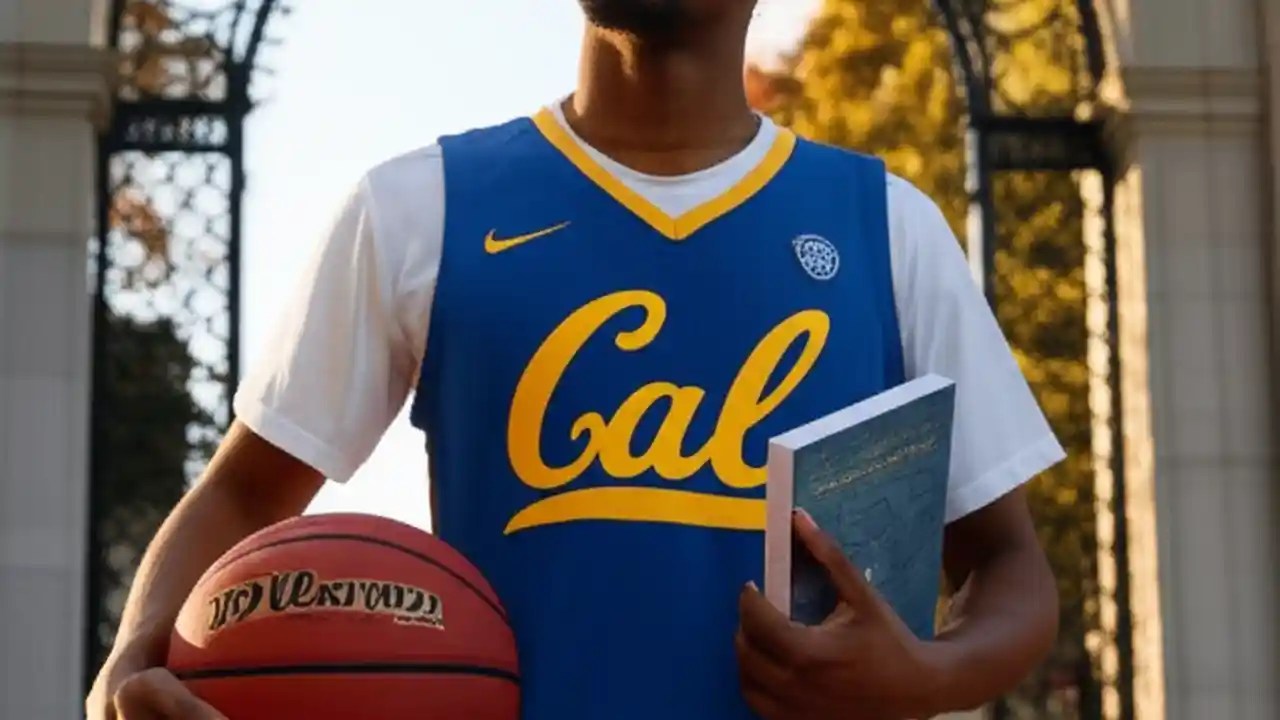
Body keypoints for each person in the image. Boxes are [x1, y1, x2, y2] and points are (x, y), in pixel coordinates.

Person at [87, 1, 1065, 718]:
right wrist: (127, 664)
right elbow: (250, 493)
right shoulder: (421, 207)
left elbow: (1005, 562)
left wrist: (927, 675)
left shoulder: (886, 228)